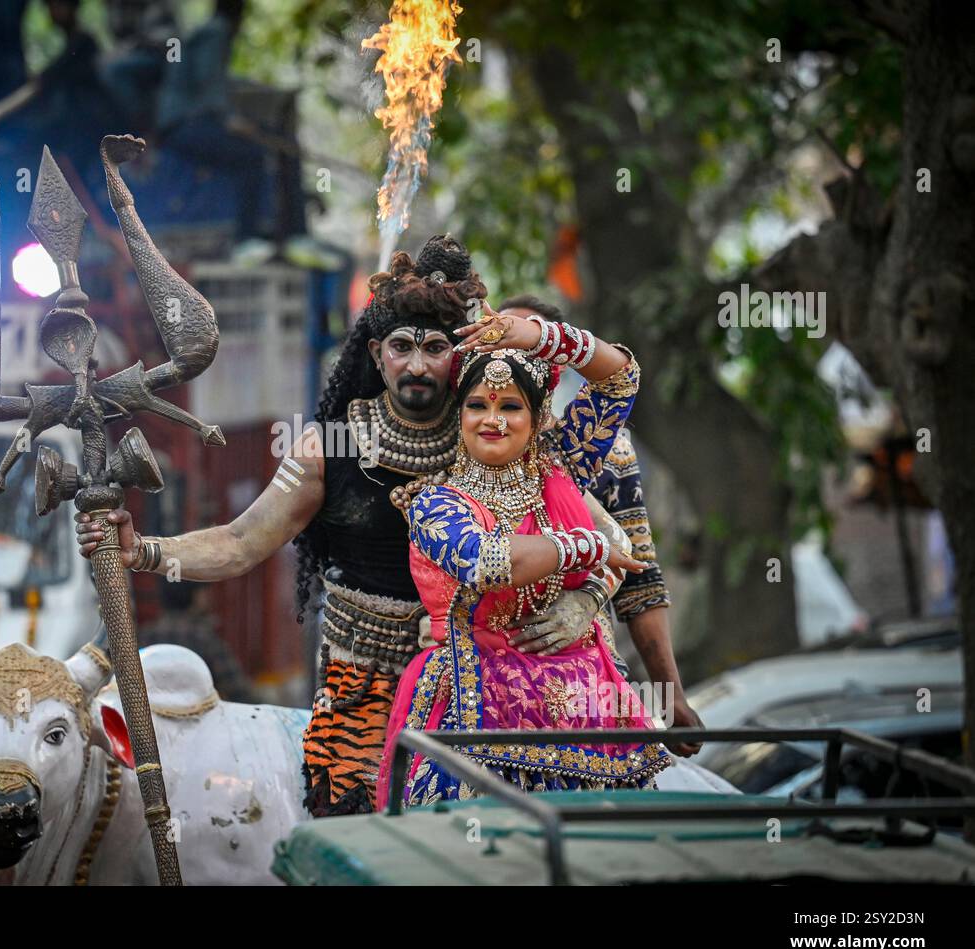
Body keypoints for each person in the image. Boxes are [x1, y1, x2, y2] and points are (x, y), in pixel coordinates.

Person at [76, 236, 639, 815]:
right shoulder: (329, 447)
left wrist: (581, 606)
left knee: (495, 841)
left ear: (459, 356)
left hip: (483, 680)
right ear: (376, 354)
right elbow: (240, 543)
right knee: (362, 842)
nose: (417, 365)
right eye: (402, 347)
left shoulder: (494, 434)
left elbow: (610, 539)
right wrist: (143, 551)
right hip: (360, 689)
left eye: (435, 348)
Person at [376, 346, 672, 806]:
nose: (492, 420)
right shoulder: (435, 503)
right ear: (459, 416)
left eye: (511, 406)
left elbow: (620, 379)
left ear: (537, 419)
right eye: (477, 405)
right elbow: (486, 562)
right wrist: (588, 546)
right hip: (476, 702)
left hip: (586, 708)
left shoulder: (561, 470)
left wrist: (543, 335)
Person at [498, 295, 703, 754]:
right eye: (497, 341)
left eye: (526, 343)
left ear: (558, 362)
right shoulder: (467, 439)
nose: (508, 356)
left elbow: (638, 572)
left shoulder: (596, 445)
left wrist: (669, 695)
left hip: (583, 670)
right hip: (483, 674)